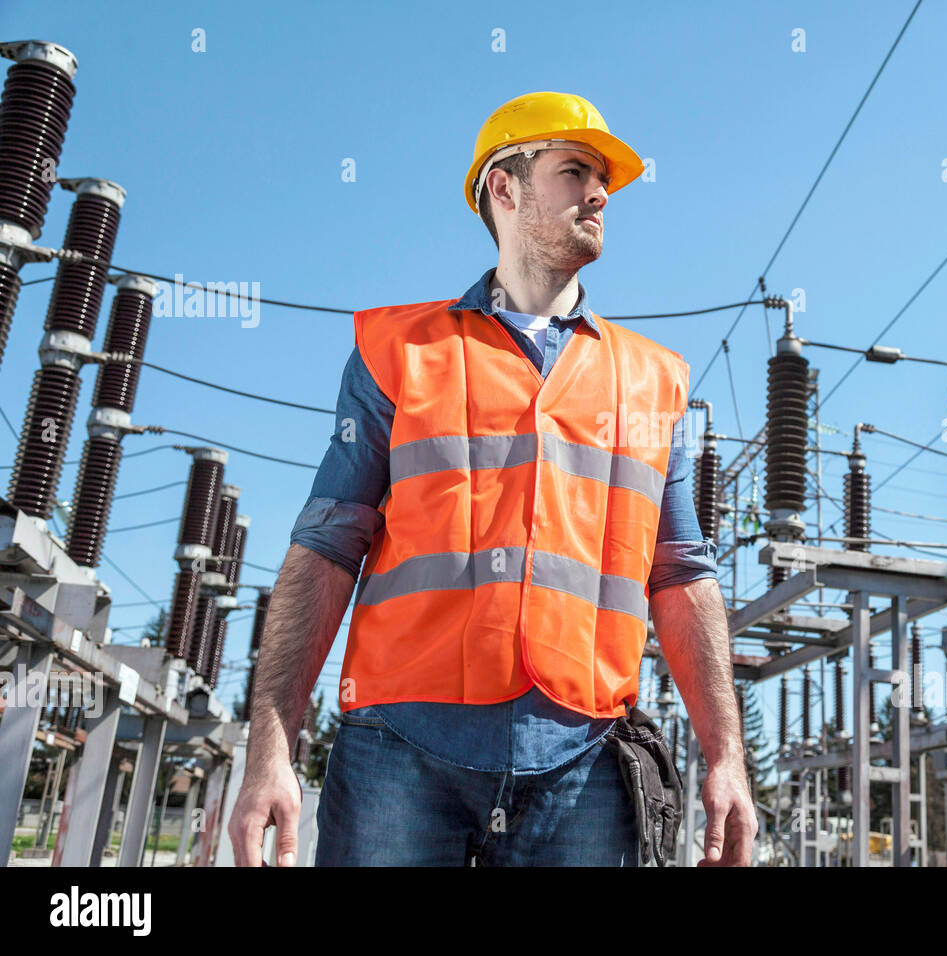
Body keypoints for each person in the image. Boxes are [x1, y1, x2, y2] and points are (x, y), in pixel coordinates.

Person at [228, 91, 757, 867]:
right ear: (502, 189)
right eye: (575, 169)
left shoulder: (653, 380)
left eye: (603, 177)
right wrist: (271, 746)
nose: (601, 192)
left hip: (584, 760)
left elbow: (680, 573)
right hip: (400, 750)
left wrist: (727, 757)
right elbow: (327, 546)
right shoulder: (399, 351)